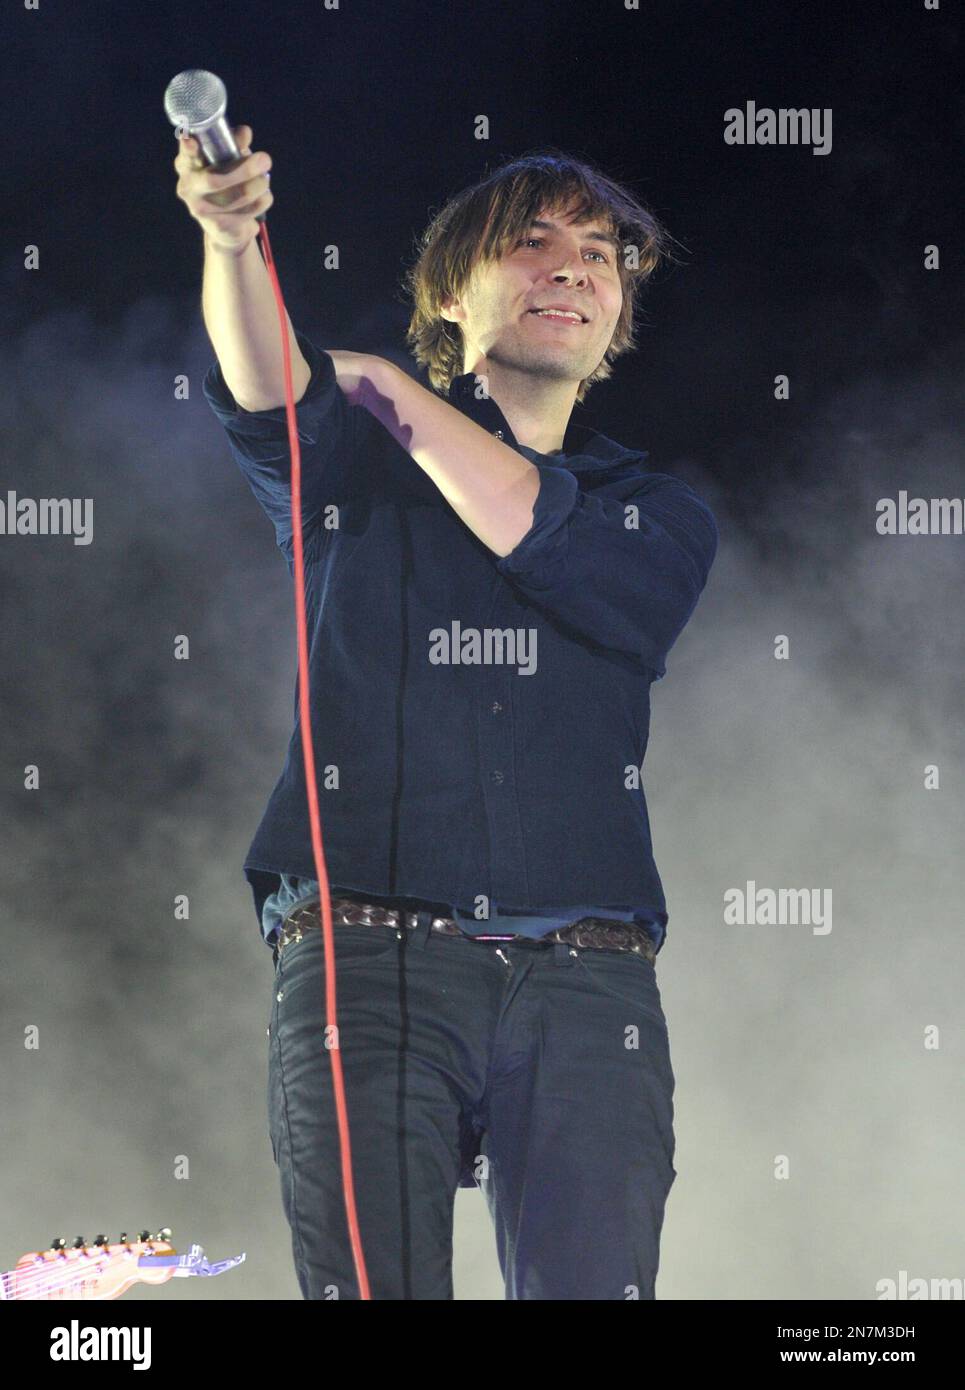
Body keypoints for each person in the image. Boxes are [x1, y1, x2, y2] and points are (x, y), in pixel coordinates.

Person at [174, 128, 719, 1300]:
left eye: (600, 253)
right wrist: (230, 238)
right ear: (448, 293)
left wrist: (379, 382)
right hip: (369, 960)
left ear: (618, 314)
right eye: (532, 242)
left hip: (589, 980)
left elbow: (538, 530)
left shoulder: (656, 513)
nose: (573, 266)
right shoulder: (351, 463)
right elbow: (267, 377)